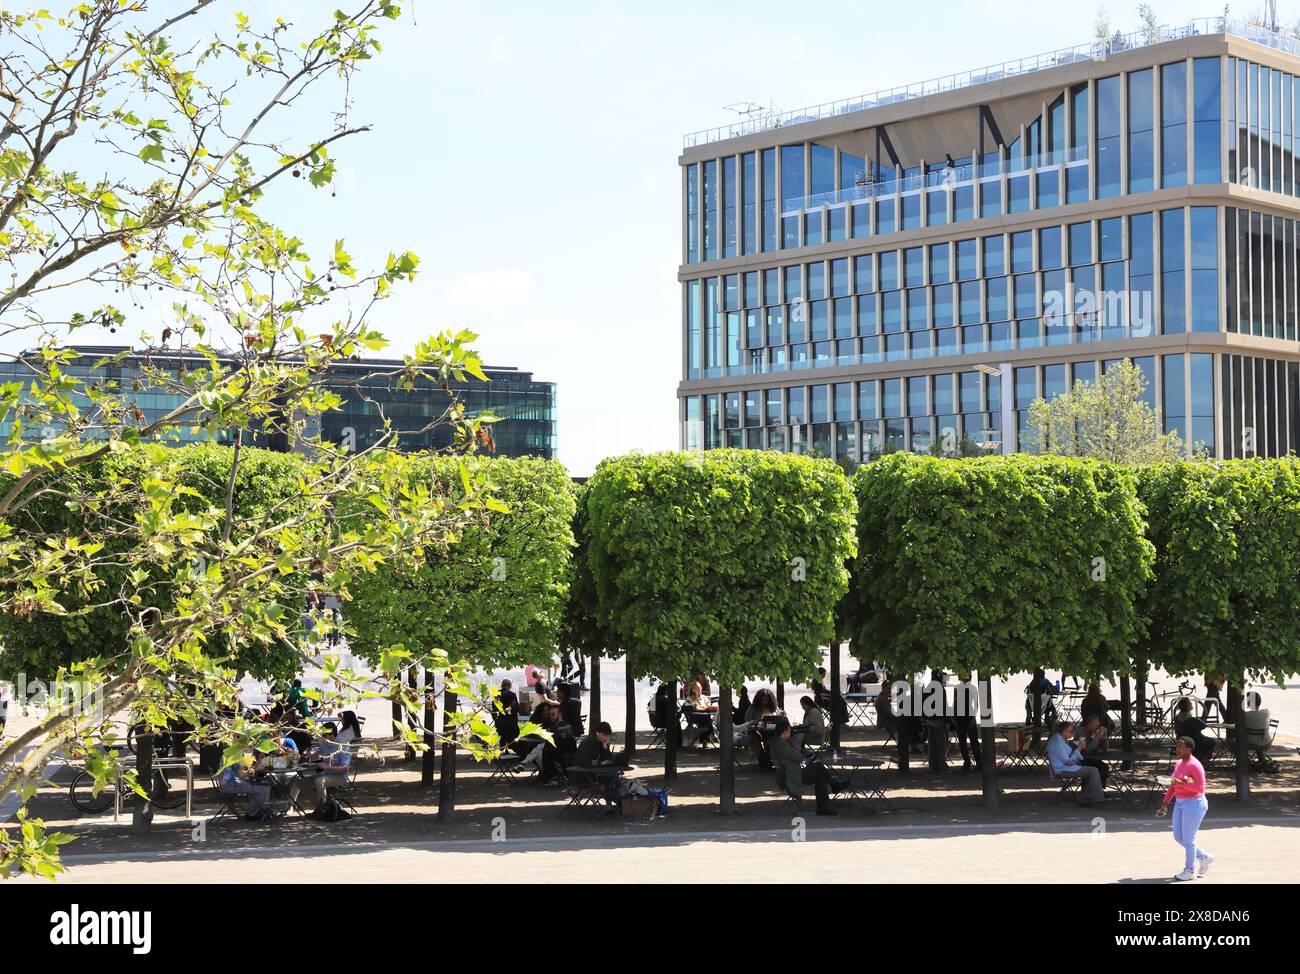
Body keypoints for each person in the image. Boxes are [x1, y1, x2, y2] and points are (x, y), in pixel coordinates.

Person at [1157, 735, 1212, 881]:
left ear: (1189, 749)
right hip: (1180, 803)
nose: (1177, 749)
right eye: (1177, 746)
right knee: (1178, 837)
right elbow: (1173, 784)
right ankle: (1204, 857)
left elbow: (1199, 787)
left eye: (1180, 746)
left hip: (1195, 803)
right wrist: (1165, 803)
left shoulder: (1195, 765)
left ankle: (1190, 870)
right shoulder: (1179, 763)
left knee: (1188, 839)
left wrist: (1181, 782)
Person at [768, 716, 837, 816]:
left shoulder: (776, 743)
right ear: (784, 732)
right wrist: (798, 749)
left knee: (820, 775)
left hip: (788, 773)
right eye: (789, 731)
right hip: (791, 776)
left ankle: (825, 805)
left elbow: (793, 756)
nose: (790, 733)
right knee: (818, 767)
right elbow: (798, 757)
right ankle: (833, 787)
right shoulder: (781, 745)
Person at [1046, 721, 1105, 807]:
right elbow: (1069, 762)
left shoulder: (1060, 739)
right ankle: (1097, 800)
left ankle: (1086, 797)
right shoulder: (1058, 743)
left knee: (1093, 768)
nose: (1073, 733)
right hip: (1062, 769)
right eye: (1070, 731)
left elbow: (1069, 757)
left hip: (1066, 766)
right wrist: (1079, 749)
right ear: (1064, 732)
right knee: (1093, 770)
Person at [574, 721, 622, 808]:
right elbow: (583, 762)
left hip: (595, 774)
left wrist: (605, 747)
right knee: (612, 777)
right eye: (604, 735)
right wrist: (600, 763)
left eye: (608, 735)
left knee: (614, 776)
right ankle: (617, 801)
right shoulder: (588, 743)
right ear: (597, 733)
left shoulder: (603, 743)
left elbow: (608, 759)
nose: (606, 737)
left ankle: (615, 802)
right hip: (584, 776)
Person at [217, 754, 273, 821]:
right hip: (230, 785)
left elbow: (243, 769)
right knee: (264, 789)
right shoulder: (235, 755)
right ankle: (252, 814)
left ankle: (258, 810)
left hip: (228, 784)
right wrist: (256, 769)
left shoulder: (229, 753)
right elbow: (242, 774)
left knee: (262, 786)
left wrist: (256, 765)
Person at [1172, 698, 1214, 766]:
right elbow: (1203, 725)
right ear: (1188, 706)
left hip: (1182, 740)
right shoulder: (1192, 720)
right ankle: (1205, 760)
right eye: (1190, 703)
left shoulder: (1177, 718)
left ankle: (1201, 759)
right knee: (1211, 742)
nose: (1192, 704)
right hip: (1196, 740)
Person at [1240, 691, 1273, 765]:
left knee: (1234, 744)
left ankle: (1246, 761)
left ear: (1248, 703)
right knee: (1258, 740)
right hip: (1266, 742)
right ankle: (1262, 760)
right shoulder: (1266, 713)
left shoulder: (1245, 715)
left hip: (1250, 743)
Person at [1076, 715, 1110, 786]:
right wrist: (1097, 739)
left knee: (1104, 767)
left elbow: (1105, 749)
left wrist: (1104, 738)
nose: (1098, 727)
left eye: (1099, 725)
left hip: (1093, 758)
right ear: (1088, 725)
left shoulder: (1095, 732)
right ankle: (1091, 790)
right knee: (1099, 768)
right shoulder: (1080, 733)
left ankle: (1099, 790)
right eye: (1096, 725)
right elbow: (1085, 751)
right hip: (1080, 760)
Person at [495, 679, 520, 745]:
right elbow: (516, 708)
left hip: (500, 722)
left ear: (502, 685)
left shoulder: (496, 695)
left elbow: (494, 709)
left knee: (502, 741)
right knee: (511, 742)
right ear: (510, 685)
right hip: (511, 722)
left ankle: (501, 753)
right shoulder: (512, 695)